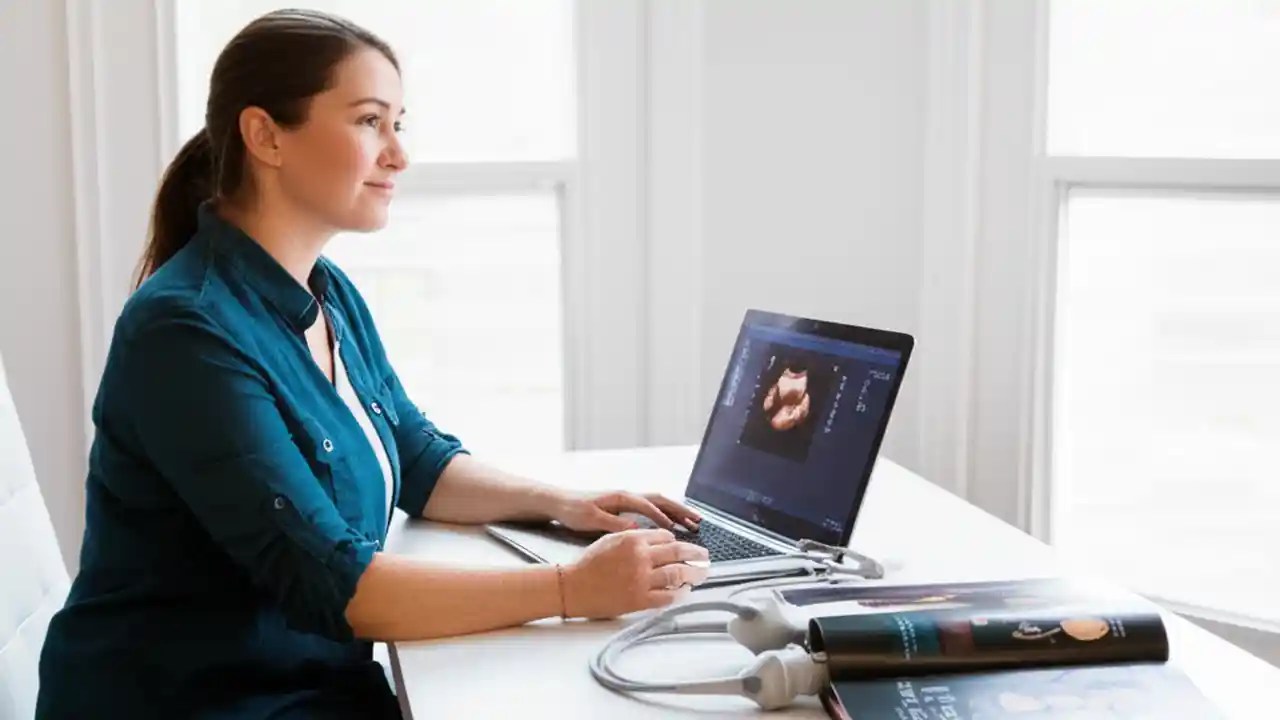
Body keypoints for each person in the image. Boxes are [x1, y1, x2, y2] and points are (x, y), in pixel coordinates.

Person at [36, 9, 708, 718]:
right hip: (202, 703)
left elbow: (416, 458)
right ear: (265, 134)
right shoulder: (185, 333)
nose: (398, 154)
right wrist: (570, 591)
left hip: (309, 687)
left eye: (398, 124)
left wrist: (564, 504)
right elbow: (333, 584)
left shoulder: (326, 291)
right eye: (368, 121)